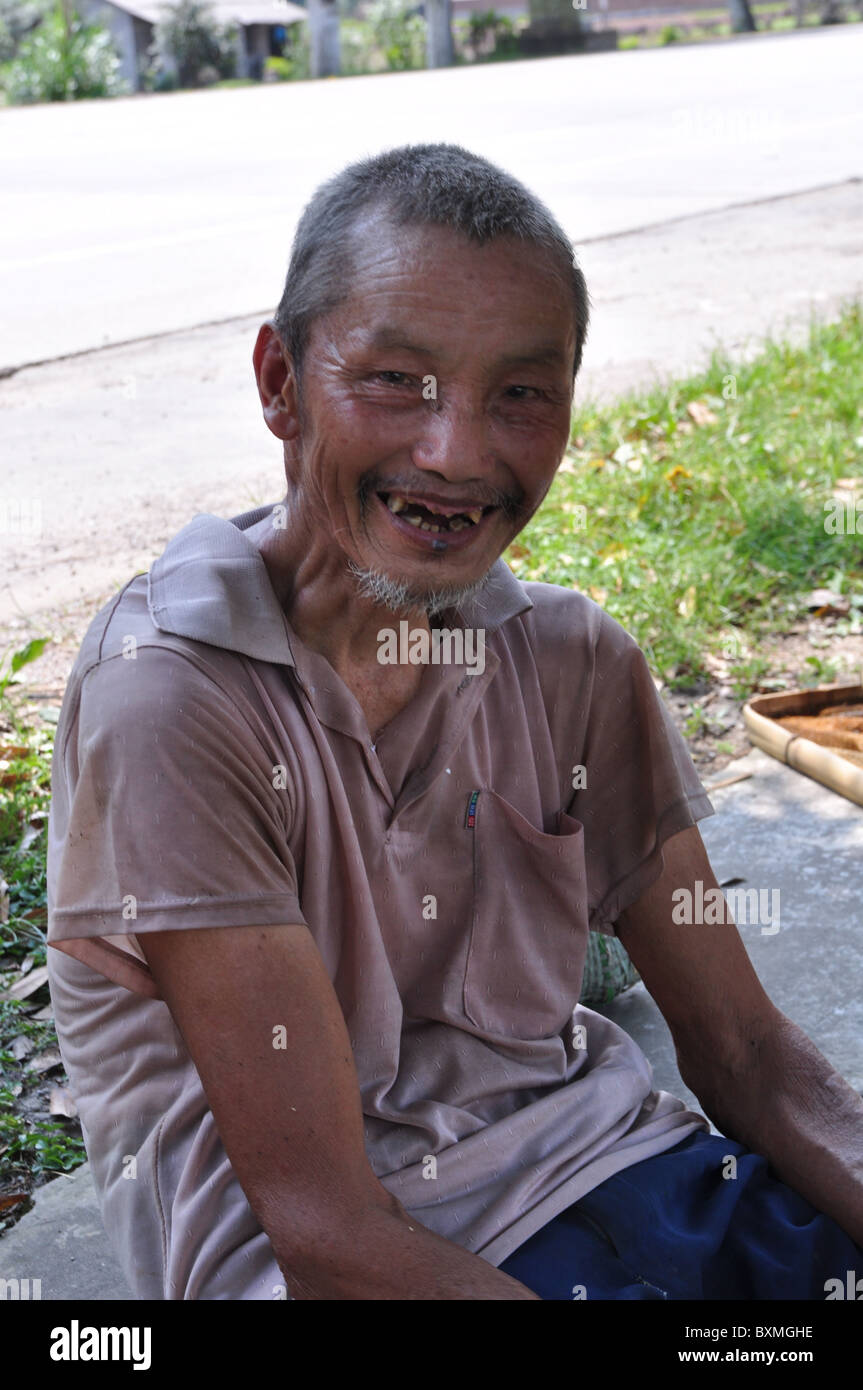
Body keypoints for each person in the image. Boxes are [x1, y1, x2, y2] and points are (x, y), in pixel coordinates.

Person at [46, 143, 863, 1301]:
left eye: (521, 393)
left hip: (635, 1183)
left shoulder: (570, 661)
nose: (457, 453)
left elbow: (744, 1052)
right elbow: (326, 1232)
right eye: (394, 379)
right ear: (279, 381)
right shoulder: (172, 699)